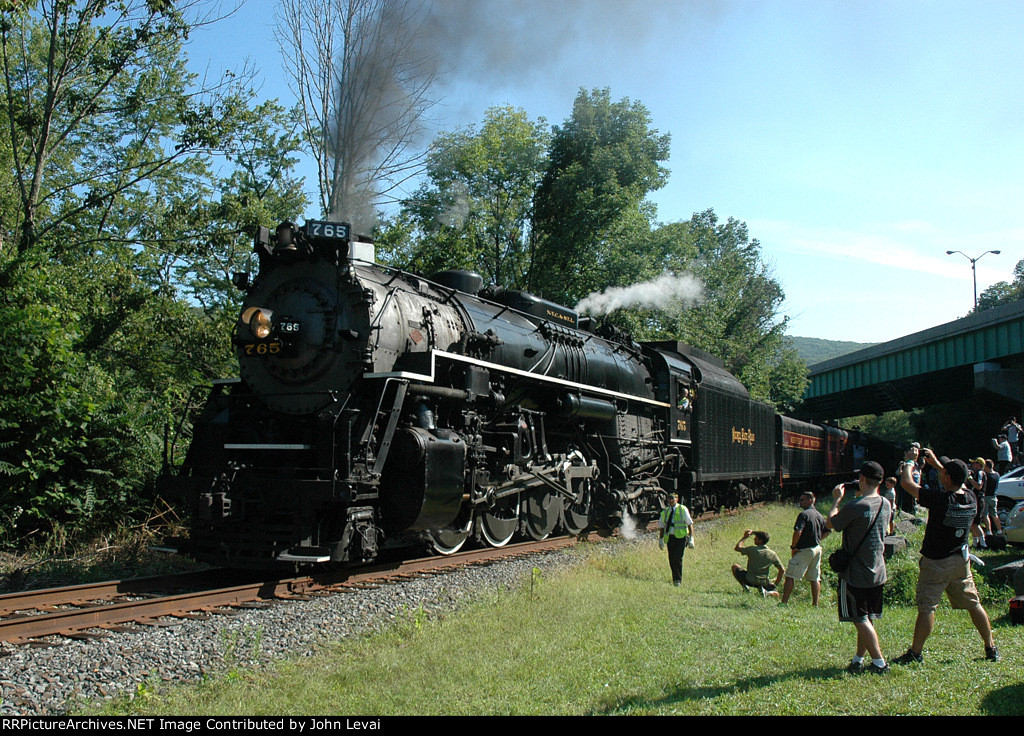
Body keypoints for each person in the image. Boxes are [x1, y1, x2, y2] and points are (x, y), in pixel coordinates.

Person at [893, 448, 999, 664]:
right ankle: (991, 648)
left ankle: (915, 653)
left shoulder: (940, 499)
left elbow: (907, 484)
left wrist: (909, 462)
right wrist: (937, 465)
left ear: (948, 478)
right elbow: (958, 482)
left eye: (943, 474)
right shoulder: (970, 497)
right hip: (961, 562)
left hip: (936, 562)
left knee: (927, 607)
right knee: (973, 603)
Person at [826, 461, 892, 674]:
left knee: (859, 618)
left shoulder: (855, 505)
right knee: (868, 616)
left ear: (861, 479)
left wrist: (836, 499)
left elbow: (831, 524)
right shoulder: (886, 504)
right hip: (878, 570)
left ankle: (879, 662)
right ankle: (858, 659)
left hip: (855, 573)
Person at [780, 492, 829, 605]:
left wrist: (794, 547)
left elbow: (798, 532)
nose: (800, 502)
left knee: (790, 575)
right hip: (816, 549)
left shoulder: (804, 514)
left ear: (810, 501)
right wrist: (818, 539)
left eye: (802, 500)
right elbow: (828, 530)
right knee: (815, 577)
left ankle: (784, 602)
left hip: (805, 550)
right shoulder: (819, 515)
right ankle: (815, 604)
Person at [732, 530, 784, 597]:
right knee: (776, 594)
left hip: (749, 580)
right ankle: (766, 593)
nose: (754, 539)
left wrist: (745, 537)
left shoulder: (752, 549)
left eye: (756, 538)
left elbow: (737, 548)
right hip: (763, 582)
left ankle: (746, 588)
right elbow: (782, 570)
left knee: (735, 566)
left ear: (760, 540)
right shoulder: (772, 554)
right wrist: (776, 583)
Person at [657, 492, 694, 586]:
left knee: (678, 558)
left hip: (681, 538)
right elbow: (662, 526)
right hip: (671, 538)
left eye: (672, 498)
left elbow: (690, 524)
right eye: (669, 499)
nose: (670, 500)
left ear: (677, 499)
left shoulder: (682, 509)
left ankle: (678, 580)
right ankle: (674, 579)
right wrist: (660, 539)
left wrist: (691, 538)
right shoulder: (665, 511)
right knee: (671, 559)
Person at [967, 458, 988, 549]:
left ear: (979, 465)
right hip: (975, 500)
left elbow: (979, 486)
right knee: (972, 522)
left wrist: (970, 478)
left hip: (979, 500)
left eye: (974, 464)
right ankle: (975, 543)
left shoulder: (980, 473)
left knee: (976, 523)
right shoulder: (976, 473)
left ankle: (983, 544)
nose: (972, 465)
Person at [983, 459, 1002, 534]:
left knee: (985, 515)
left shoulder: (986, 475)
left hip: (986, 497)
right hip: (994, 497)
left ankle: (988, 531)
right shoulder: (997, 474)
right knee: (994, 514)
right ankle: (999, 530)